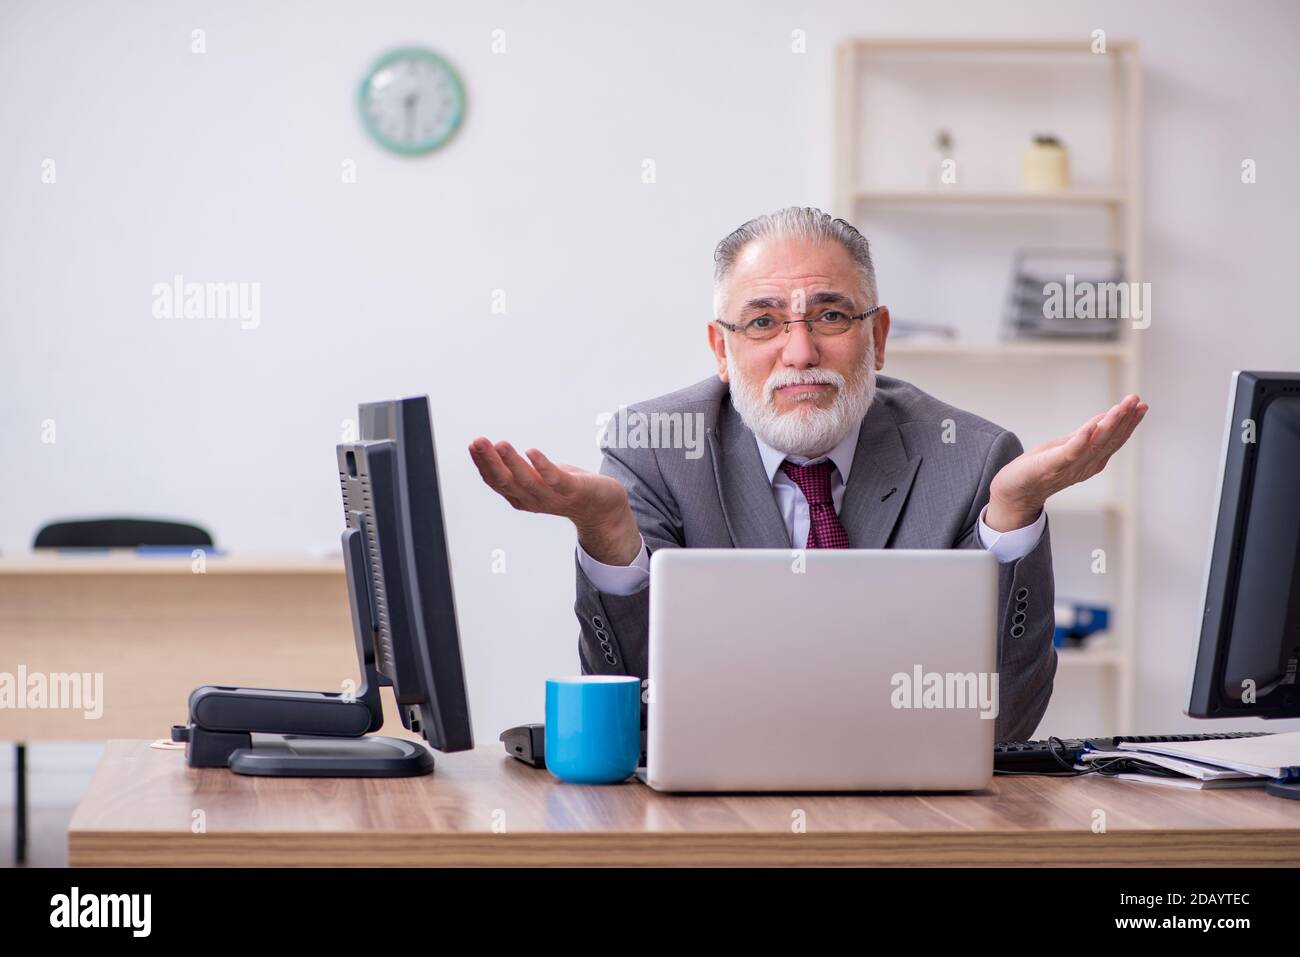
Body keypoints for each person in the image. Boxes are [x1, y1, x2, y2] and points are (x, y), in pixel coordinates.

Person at [469, 207, 1146, 741]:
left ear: (877, 338)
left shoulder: (973, 459)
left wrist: (1012, 517)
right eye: (763, 321)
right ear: (722, 349)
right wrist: (609, 534)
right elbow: (633, 712)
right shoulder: (655, 451)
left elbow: (1004, 724)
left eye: (829, 314)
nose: (799, 351)